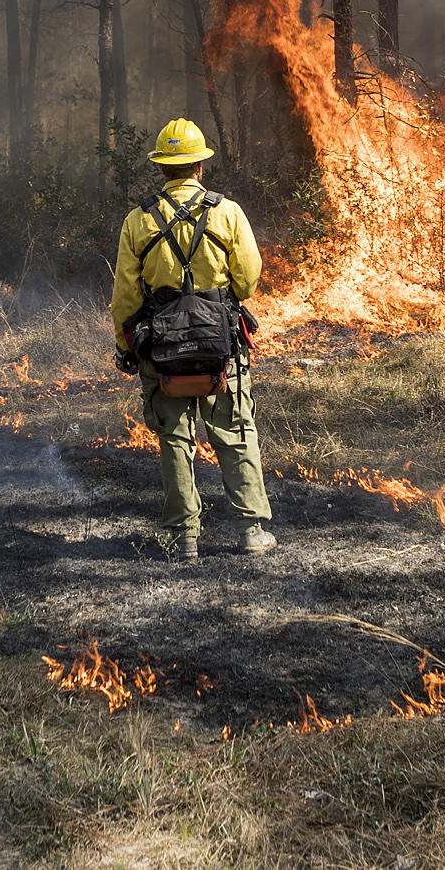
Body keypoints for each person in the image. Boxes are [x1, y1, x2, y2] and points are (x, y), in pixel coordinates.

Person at [110, 118, 274, 563]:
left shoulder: (137, 220)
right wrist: (217, 304)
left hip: (160, 348)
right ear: (200, 166)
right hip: (219, 344)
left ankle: (183, 538)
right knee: (235, 431)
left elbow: (125, 295)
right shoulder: (227, 212)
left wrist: (127, 347)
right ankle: (252, 531)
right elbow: (249, 279)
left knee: (175, 439)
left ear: (162, 169)